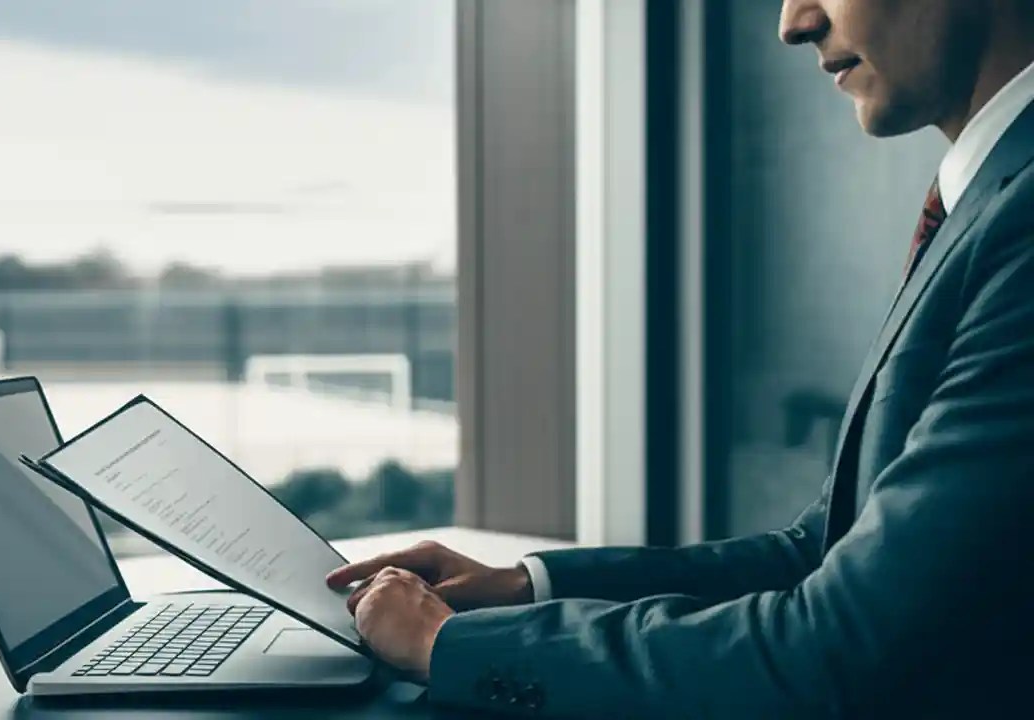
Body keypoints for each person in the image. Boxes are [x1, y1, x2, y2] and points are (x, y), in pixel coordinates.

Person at [325, 1, 1034, 717]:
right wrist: (523, 587)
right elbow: (822, 550)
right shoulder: (990, 197)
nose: (793, 22)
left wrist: (454, 647)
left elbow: (842, 645)